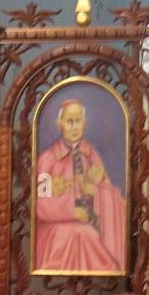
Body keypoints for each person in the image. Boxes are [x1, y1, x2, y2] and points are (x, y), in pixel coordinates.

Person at [34, 99, 127, 273]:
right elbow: (37, 205)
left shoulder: (91, 155)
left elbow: (110, 195)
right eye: (69, 121)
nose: (74, 127)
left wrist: (97, 193)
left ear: (84, 124)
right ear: (59, 124)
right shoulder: (47, 159)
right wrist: (72, 211)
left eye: (78, 121)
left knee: (89, 236)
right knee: (82, 235)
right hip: (55, 230)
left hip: (90, 225)